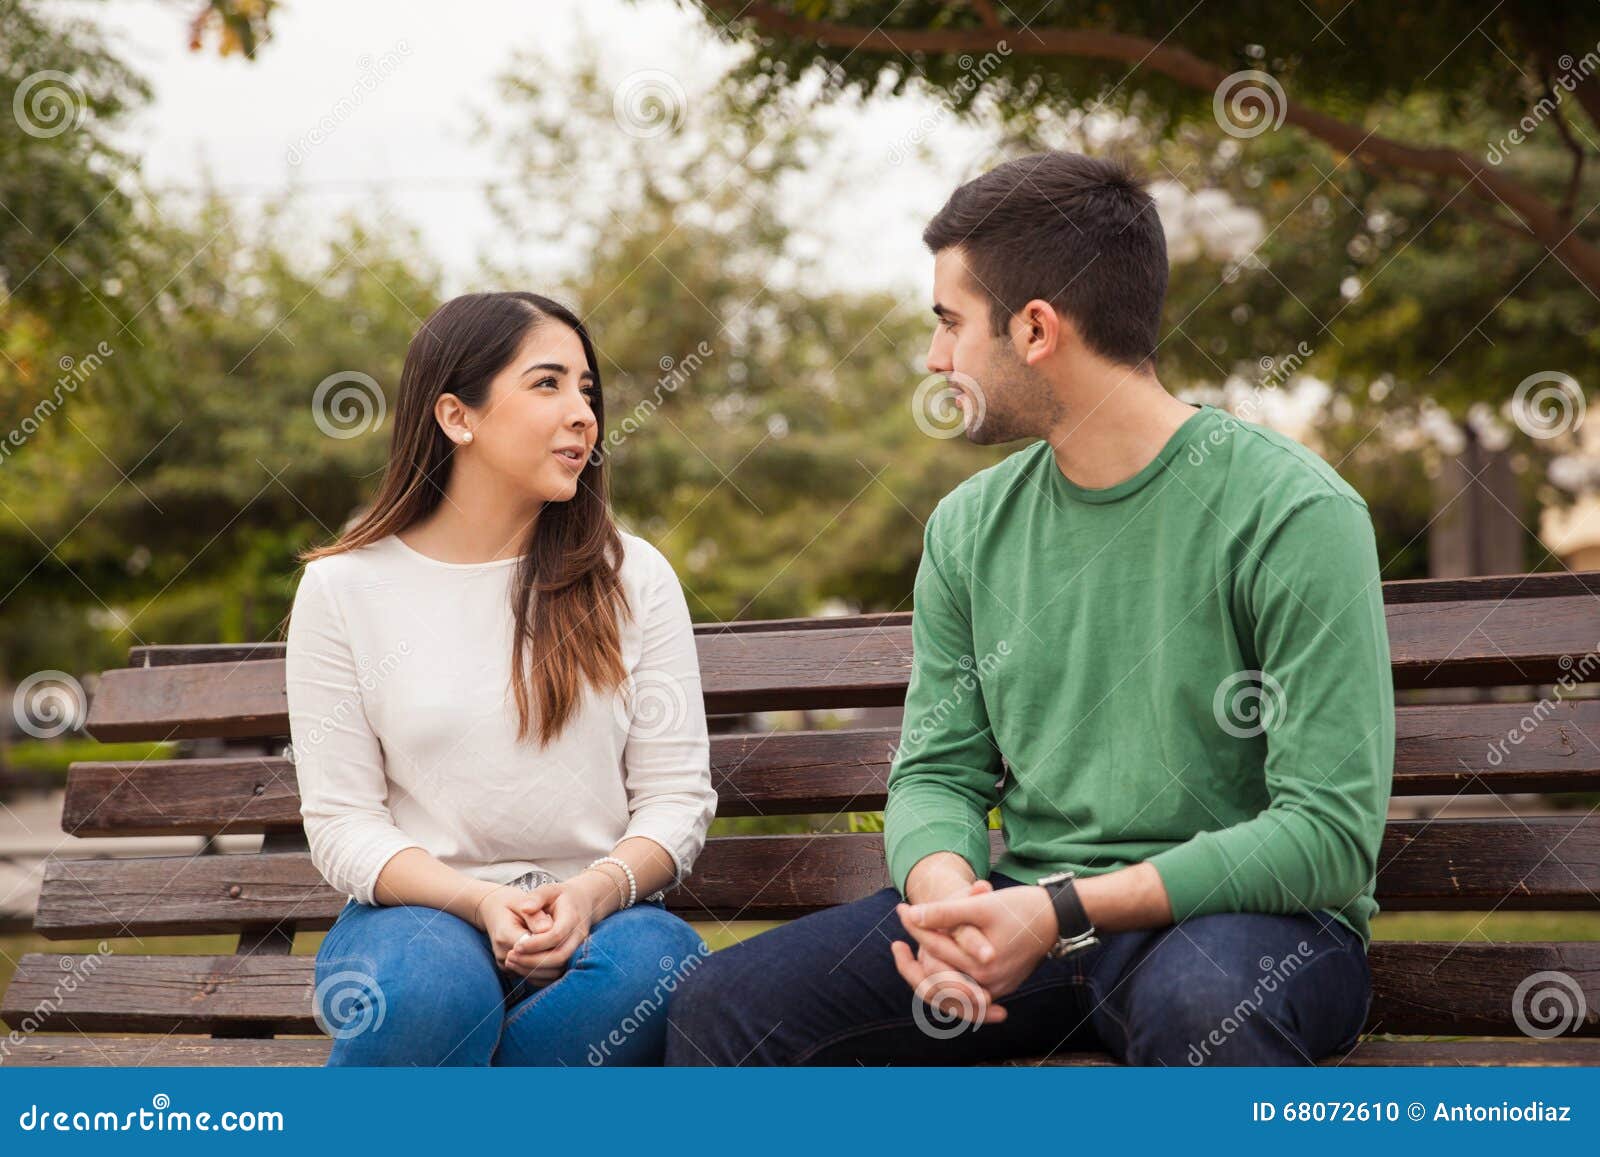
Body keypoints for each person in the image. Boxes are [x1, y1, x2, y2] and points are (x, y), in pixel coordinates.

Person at [667, 152, 1392, 1067]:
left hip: (1249, 926)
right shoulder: (970, 527)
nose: (936, 357)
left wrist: (1057, 910)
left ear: (1037, 329)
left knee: (1203, 1008)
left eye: (950, 322)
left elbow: (1326, 838)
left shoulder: (1292, 512)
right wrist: (950, 903)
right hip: (1026, 917)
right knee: (727, 1008)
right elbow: (936, 770)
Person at [288, 291, 715, 1066]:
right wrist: (481, 899)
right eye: (547, 384)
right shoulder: (343, 587)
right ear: (457, 416)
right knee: (430, 997)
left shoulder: (634, 577)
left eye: (587, 389)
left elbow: (676, 800)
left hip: (605, 920)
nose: (582, 412)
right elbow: (342, 822)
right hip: (419, 918)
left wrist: (591, 892)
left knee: (662, 966)